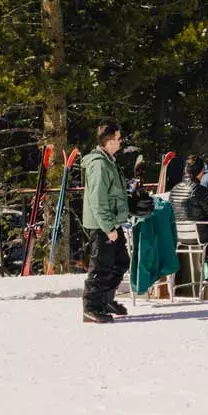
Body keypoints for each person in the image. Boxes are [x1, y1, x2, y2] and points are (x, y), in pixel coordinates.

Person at [80, 122, 130, 323]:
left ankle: (105, 300)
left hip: (112, 223)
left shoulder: (109, 161)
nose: (120, 142)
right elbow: (97, 198)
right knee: (101, 266)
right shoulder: (99, 165)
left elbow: (114, 194)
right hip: (102, 225)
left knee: (120, 261)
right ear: (108, 141)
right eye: (118, 139)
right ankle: (91, 307)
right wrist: (108, 226)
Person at [170, 155, 208, 283]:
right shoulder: (200, 190)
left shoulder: (174, 190)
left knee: (207, 228)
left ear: (186, 171)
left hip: (180, 236)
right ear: (202, 171)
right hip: (201, 235)